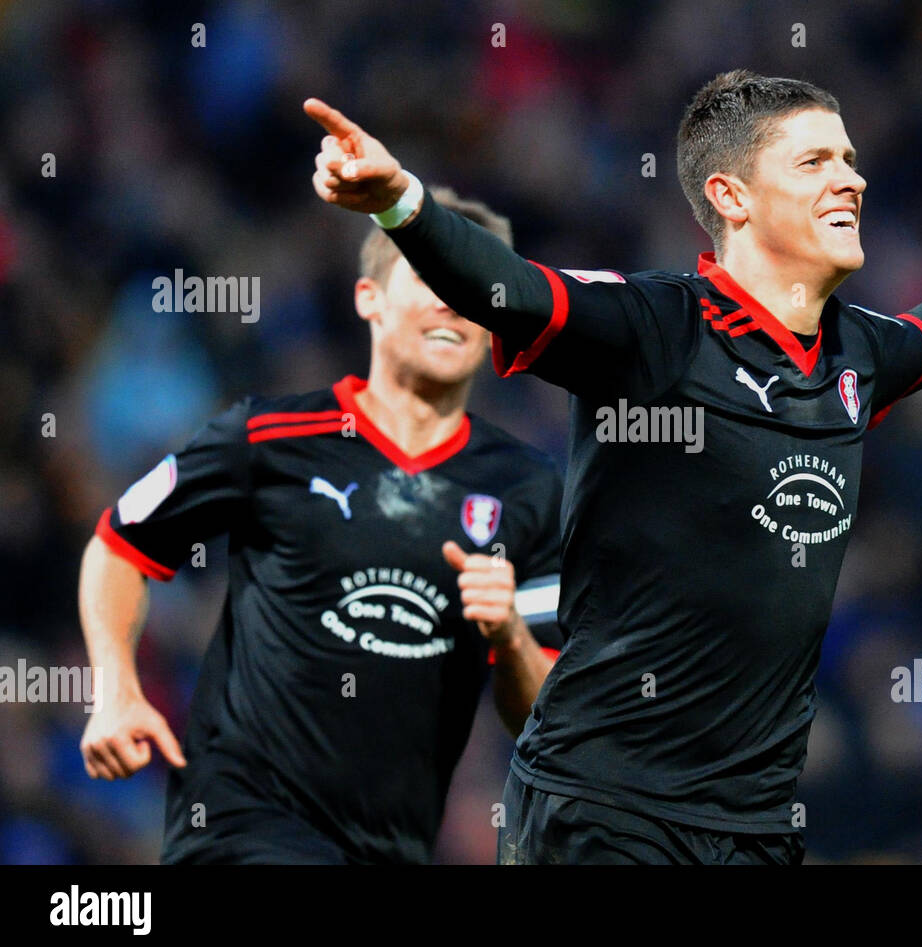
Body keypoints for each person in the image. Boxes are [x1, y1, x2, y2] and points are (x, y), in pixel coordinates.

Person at [303, 68, 922, 864]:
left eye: (848, 158)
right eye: (814, 162)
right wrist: (402, 204)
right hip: (607, 810)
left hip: (757, 825)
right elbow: (510, 286)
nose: (852, 177)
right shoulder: (654, 328)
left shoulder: (855, 353)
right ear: (730, 195)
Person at [79, 187, 564, 864]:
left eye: (476, 285)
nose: (454, 299)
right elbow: (119, 543)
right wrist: (116, 689)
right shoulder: (270, 437)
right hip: (240, 828)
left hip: (390, 846)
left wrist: (510, 634)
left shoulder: (529, 490)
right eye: (430, 278)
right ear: (369, 298)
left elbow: (541, 708)